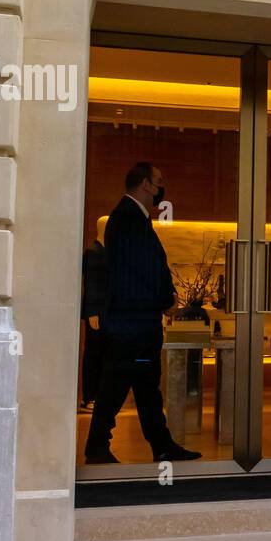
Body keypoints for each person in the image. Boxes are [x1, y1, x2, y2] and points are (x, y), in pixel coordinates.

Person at [84, 162, 202, 464]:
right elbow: (141, 270)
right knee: (118, 386)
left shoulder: (130, 217)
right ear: (146, 184)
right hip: (133, 324)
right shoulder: (128, 218)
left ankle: (161, 445)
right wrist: (165, 298)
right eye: (158, 181)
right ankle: (100, 446)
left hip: (134, 322)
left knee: (144, 387)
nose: (161, 187)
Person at [79, 237, 108, 409]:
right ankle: (89, 396)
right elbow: (91, 283)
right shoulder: (94, 253)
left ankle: (97, 396)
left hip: (104, 312)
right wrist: (92, 311)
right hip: (97, 312)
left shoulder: (106, 251)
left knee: (101, 354)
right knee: (93, 354)